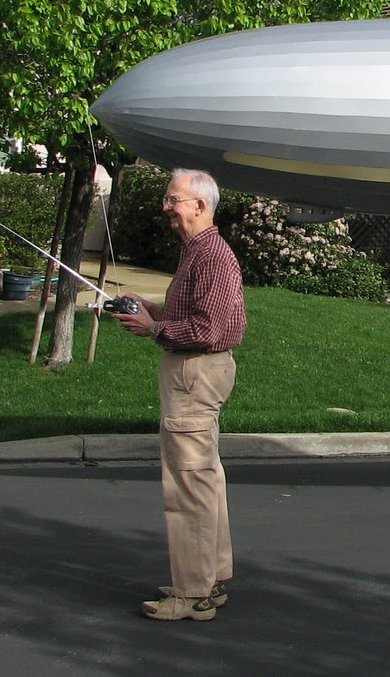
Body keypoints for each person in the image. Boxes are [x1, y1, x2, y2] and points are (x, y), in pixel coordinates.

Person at [113, 168, 247, 622]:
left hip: (195, 373)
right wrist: (153, 310)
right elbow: (198, 313)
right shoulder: (199, 252)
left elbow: (209, 329)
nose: (167, 208)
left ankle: (193, 596)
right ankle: (207, 579)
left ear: (200, 205)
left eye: (174, 200)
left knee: (187, 481)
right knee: (204, 476)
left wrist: (154, 329)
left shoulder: (211, 256)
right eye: (168, 200)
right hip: (196, 371)